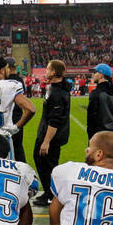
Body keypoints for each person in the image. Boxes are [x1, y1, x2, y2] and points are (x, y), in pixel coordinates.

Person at [32, 60, 72, 207]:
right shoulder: (55, 88)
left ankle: (51, 195)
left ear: (54, 72)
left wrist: (46, 141)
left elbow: (55, 120)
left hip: (51, 136)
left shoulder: (57, 92)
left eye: (48, 69)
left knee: (48, 164)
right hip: (47, 133)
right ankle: (49, 192)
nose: (45, 72)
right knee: (42, 161)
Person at [86, 63, 113, 140]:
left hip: (100, 136)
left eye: (95, 72)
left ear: (101, 75)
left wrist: (91, 139)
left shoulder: (96, 93)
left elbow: (91, 120)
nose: (93, 74)